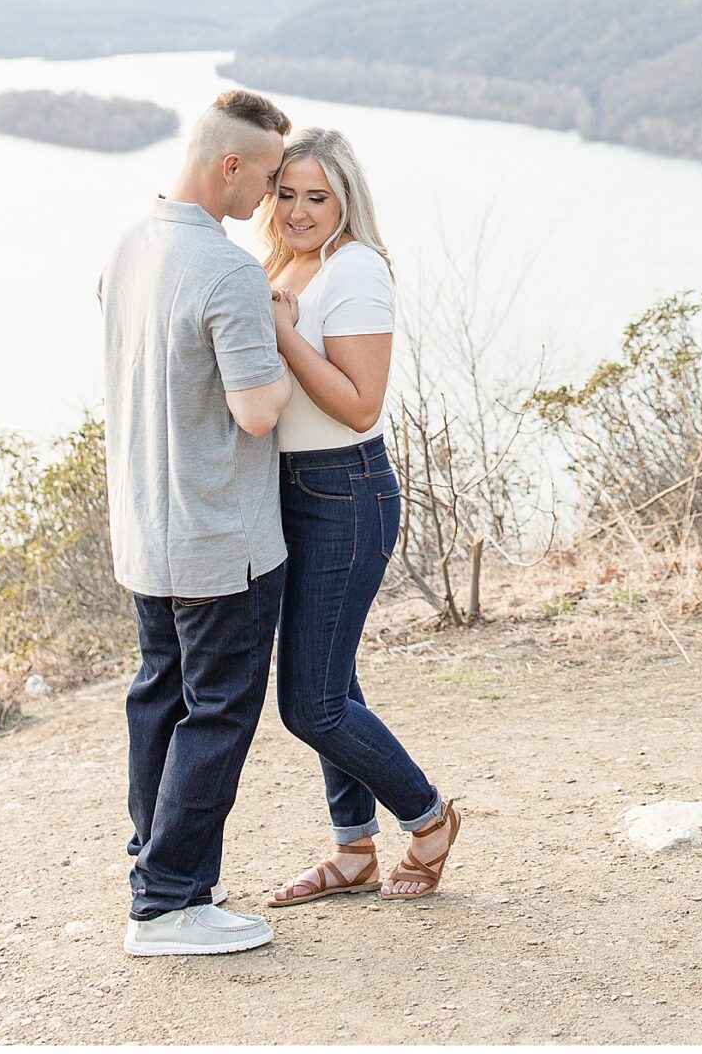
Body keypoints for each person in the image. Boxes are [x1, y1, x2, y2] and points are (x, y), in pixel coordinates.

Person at [100, 88, 293, 957]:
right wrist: (286, 337)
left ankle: (164, 871)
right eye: (267, 177)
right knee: (216, 715)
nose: (271, 198)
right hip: (220, 539)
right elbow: (258, 413)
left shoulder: (129, 244)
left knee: (161, 704)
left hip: (144, 530)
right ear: (230, 166)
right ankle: (167, 904)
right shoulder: (228, 272)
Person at [262, 125, 460, 906]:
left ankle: (428, 815)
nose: (300, 210)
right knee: (333, 682)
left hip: (345, 492)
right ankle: (353, 852)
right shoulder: (285, 262)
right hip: (292, 491)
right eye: (286, 194)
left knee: (309, 702)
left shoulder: (356, 271)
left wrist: (281, 334)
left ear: (346, 199)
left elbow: (358, 404)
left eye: (318, 196)